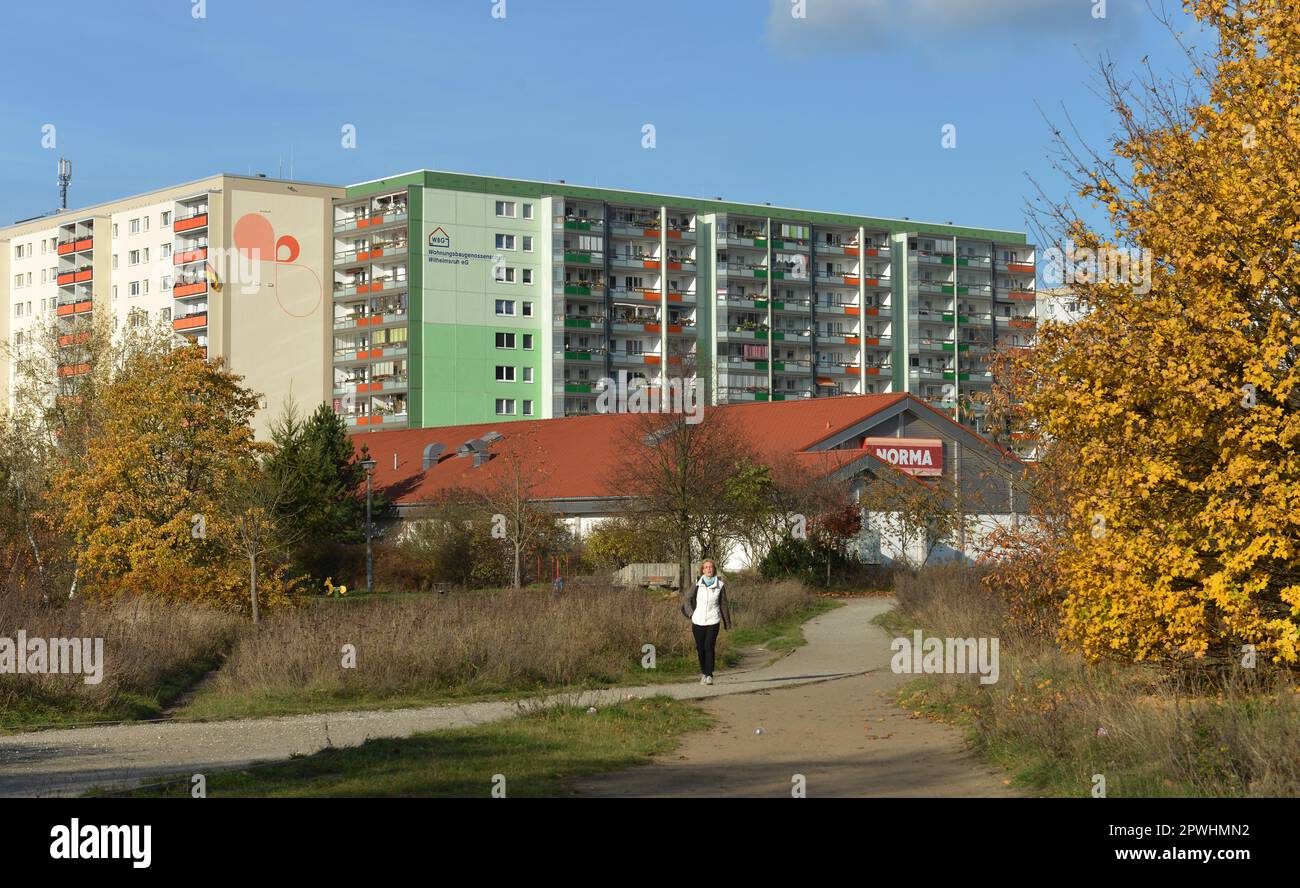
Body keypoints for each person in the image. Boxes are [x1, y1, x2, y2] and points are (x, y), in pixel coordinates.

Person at [681, 559, 731, 685]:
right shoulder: (697, 583)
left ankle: (709, 675)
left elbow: (723, 604)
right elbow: (687, 599)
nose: (709, 569)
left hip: (713, 620)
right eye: (706, 567)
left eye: (711, 567)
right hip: (697, 621)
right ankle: (704, 672)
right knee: (700, 648)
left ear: (714, 569)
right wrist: (691, 614)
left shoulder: (720, 585)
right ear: (702, 570)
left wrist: (727, 622)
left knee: (709, 647)